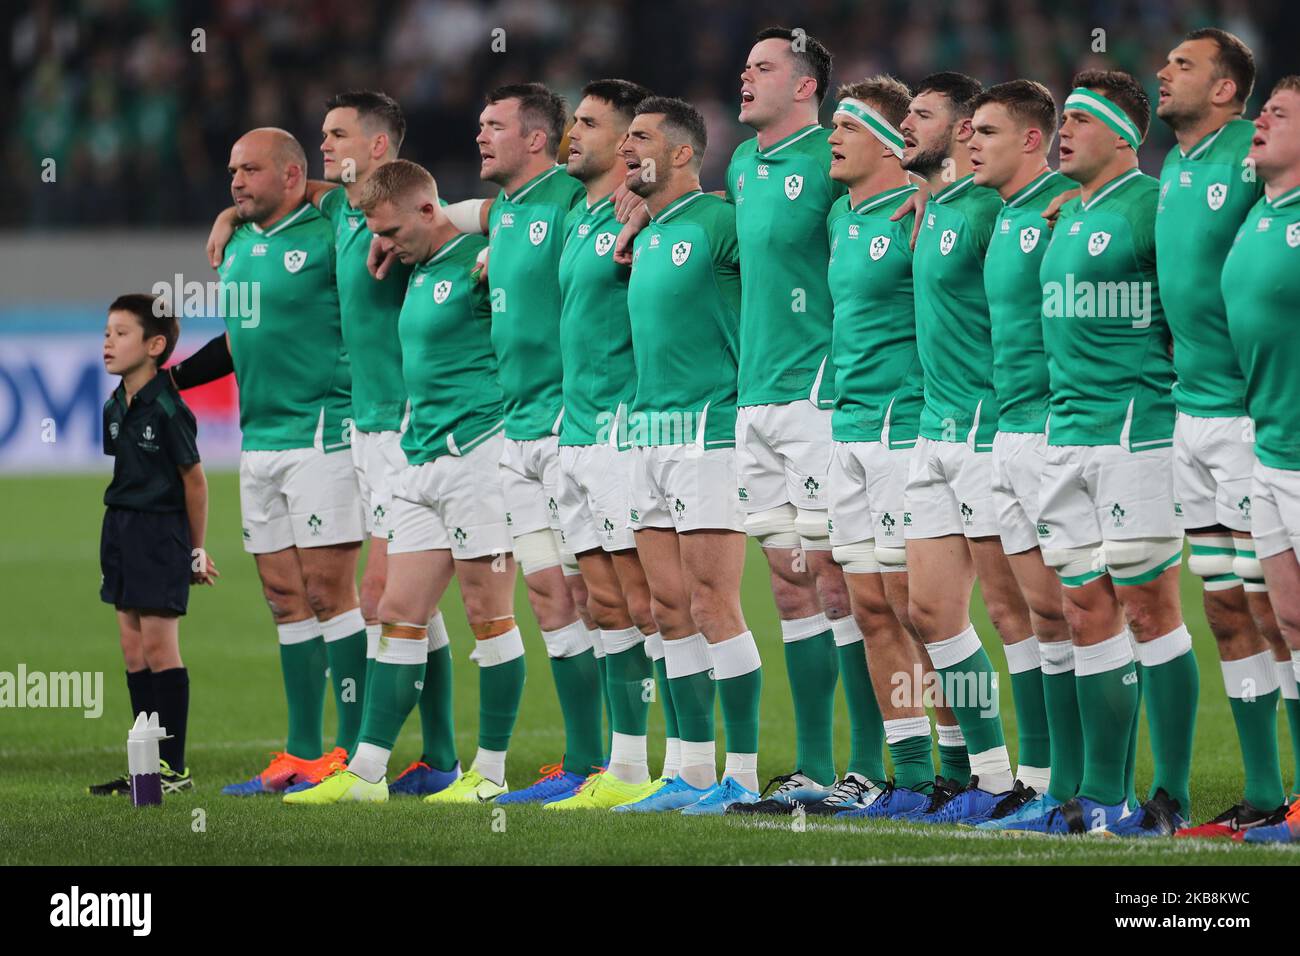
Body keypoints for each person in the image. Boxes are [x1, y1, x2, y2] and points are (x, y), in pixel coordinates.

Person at [284, 160, 520, 804]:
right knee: (396, 612)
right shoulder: (413, 266)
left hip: (480, 457)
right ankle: (365, 774)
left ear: (428, 211)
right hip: (421, 460)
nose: (381, 244)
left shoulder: (480, 257)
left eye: (389, 230)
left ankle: (489, 774)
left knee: (486, 614)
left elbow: (534, 220)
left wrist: (500, 249)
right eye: (373, 232)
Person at [1012, 71, 1192, 836]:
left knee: (1148, 610)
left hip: (1134, 434)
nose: (1064, 131)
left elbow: (1192, 313)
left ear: (1123, 135)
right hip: (1065, 433)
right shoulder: (1065, 213)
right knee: (1085, 610)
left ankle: (1171, 795)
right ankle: (1099, 798)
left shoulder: (1154, 209)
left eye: (1079, 120)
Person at [199, 128, 367, 796]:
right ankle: (300, 752)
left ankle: (352, 754)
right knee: (283, 598)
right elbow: (241, 338)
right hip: (259, 441)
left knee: (331, 594)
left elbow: (357, 196)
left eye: (251, 170)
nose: (236, 181)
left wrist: (317, 191)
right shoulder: (237, 242)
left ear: (294, 176)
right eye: (232, 170)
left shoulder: (332, 230)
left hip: (322, 434)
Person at [1154, 30, 1291, 838]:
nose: (1163, 74)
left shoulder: (1251, 148)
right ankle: (1265, 794)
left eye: (1183, 66)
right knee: (1228, 609)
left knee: (1280, 611)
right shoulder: (1174, 166)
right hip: (1191, 417)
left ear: (1225, 90)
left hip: (1251, 419)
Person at [612, 97, 763, 815]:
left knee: (713, 604)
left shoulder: (722, 223)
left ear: (680, 154)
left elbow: (795, 246)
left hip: (710, 434)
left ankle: (745, 773)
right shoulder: (646, 231)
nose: (623, 149)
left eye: (638, 138)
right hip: (647, 434)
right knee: (667, 607)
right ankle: (693, 774)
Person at [967, 80, 1081, 828]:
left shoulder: (1062, 211)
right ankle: (1042, 780)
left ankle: (1083, 783)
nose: (969, 142)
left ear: (1033, 140)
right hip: (1007, 430)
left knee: (1071, 613)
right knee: (1034, 616)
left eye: (987, 131)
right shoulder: (1004, 214)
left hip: (1058, 430)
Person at [90, 293, 213, 796]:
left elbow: (196, 481)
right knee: (132, 647)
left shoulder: (168, 408)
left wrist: (195, 548)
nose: (108, 343)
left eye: (121, 333)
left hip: (161, 534)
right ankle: (145, 765)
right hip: (120, 529)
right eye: (106, 333)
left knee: (161, 648)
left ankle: (173, 768)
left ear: (155, 345)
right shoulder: (114, 405)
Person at [1223, 75, 1300, 845]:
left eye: (1280, 114)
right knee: (1290, 622)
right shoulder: (1257, 212)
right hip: (1268, 447)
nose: (1262, 121)